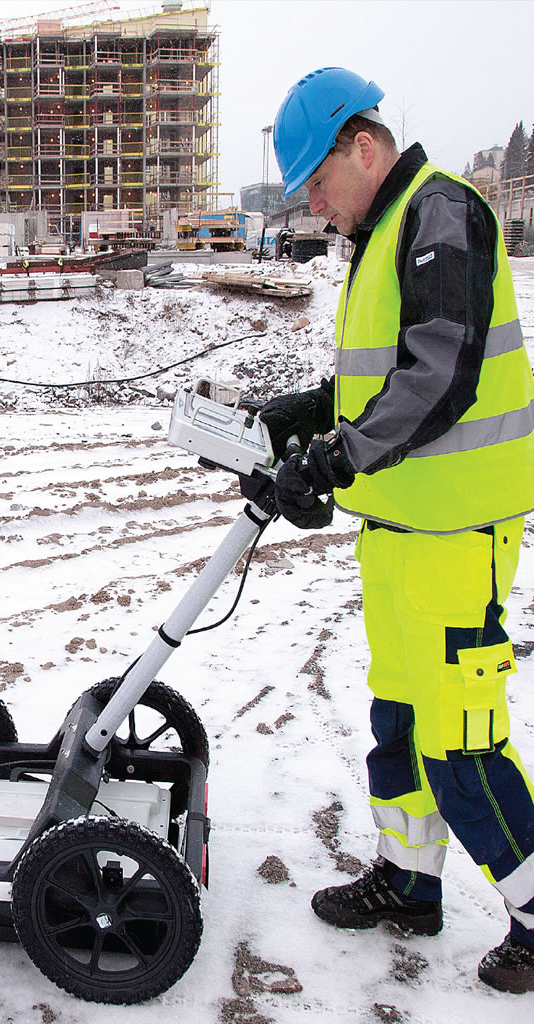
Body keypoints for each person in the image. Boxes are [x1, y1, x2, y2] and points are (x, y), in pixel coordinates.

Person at [262, 66, 534, 993]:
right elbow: (379, 380)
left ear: (362, 147)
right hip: (402, 529)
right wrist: (305, 417)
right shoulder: (385, 234)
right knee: (400, 722)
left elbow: (439, 371)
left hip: (458, 533)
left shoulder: (439, 214)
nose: (315, 205)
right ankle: (410, 883)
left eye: (318, 182)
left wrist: (338, 458)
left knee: (463, 740)